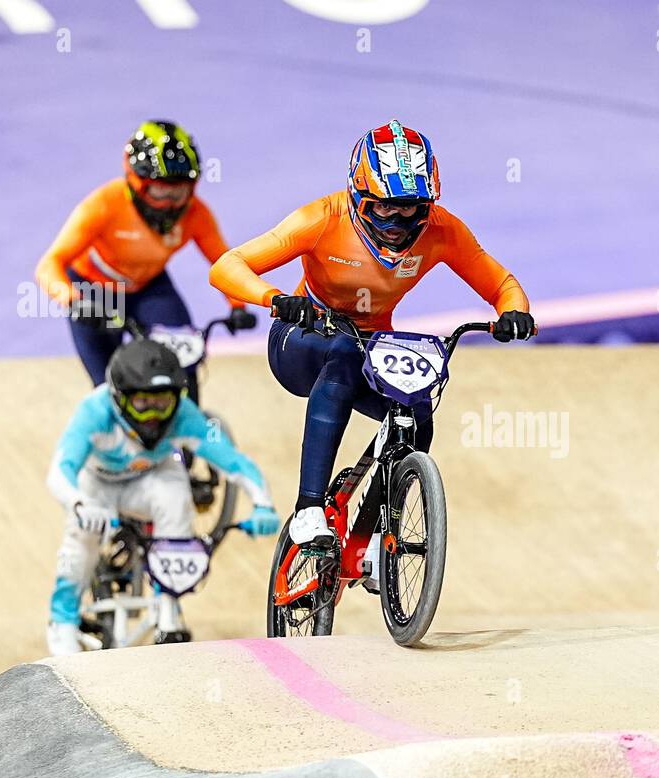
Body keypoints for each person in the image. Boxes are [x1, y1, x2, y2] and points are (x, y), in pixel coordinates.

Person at [209, 120, 536, 546]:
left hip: (371, 347)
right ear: (358, 197)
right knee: (343, 353)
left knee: (417, 413)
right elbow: (227, 266)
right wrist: (276, 299)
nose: (399, 222)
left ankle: (376, 536)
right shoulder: (322, 218)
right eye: (385, 208)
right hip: (300, 339)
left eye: (411, 209)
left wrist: (514, 313)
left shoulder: (442, 230)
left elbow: (501, 285)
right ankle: (308, 509)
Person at [45, 340, 279, 655]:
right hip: (96, 485)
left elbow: (231, 458)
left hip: (152, 479)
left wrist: (263, 503)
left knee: (175, 497)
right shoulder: (94, 412)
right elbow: (61, 470)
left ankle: (168, 604)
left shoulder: (185, 414)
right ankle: (62, 620)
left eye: (163, 403)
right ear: (120, 398)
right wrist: (78, 504)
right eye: (143, 403)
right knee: (82, 537)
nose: (154, 415)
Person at [35, 119, 253, 399]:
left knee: (183, 366)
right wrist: (72, 300)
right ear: (135, 182)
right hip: (94, 292)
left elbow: (225, 263)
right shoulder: (103, 205)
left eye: (180, 191)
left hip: (149, 286)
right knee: (108, 390)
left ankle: (190, 434)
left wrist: (238, 305)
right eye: (160, 191)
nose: (171, 204)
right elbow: (49, 264)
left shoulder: (196, 213)